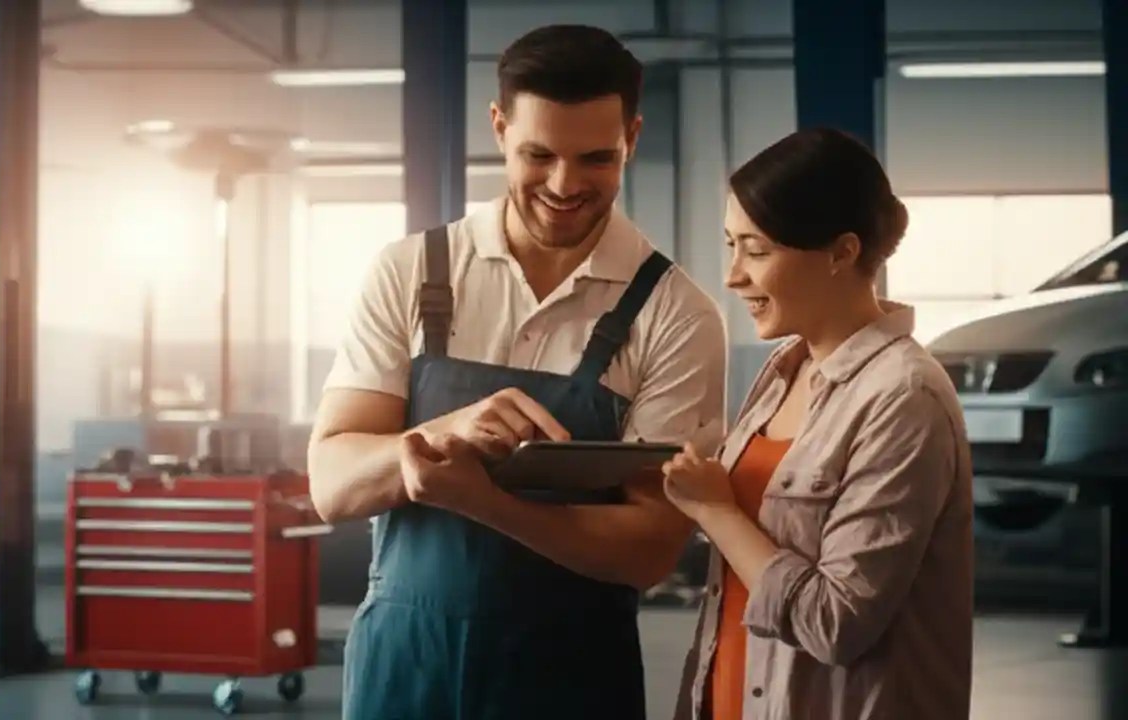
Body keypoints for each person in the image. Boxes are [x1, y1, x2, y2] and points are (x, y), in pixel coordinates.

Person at [308, 24, 727, 720]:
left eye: (597, 158)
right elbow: (331, 484)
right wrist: (445, 433)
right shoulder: (410, 272)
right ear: (499, 128)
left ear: (633, 136)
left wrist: (483, 499)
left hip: (569, 679)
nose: (565, 186)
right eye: (539, 154)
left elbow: (650, 549)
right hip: (404, 673)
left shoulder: (676, 314)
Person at [664, 128, 974, 720]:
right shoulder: (786, 371)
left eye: (756, 251)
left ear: (841, 252)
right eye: (731, 246)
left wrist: (716, 512)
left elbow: (836, 623)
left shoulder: (904, 397)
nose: (732, 275)